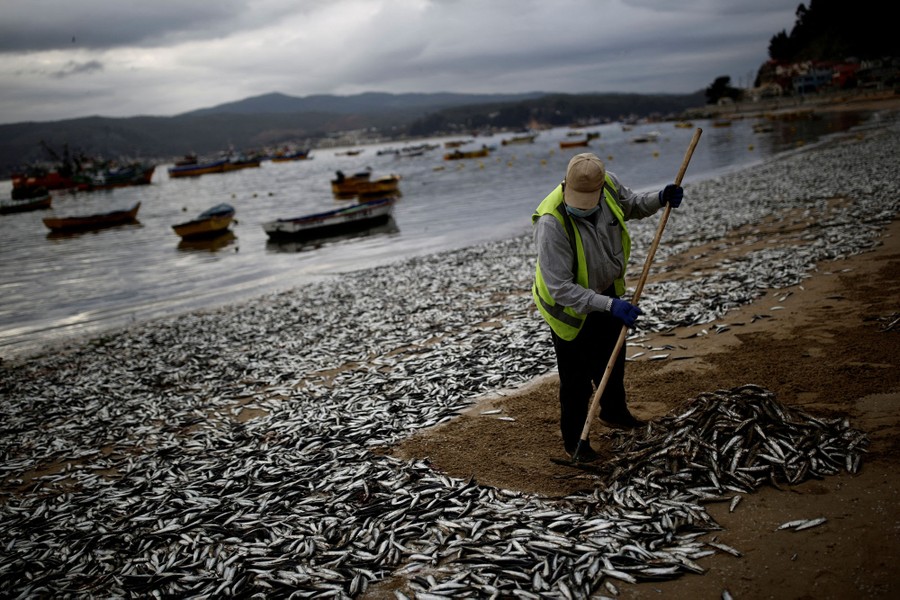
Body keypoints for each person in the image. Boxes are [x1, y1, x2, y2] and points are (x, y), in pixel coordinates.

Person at [532, 152, 683, 462]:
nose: (583, 205)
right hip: (568, 310)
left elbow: (632, 206)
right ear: (566, 185)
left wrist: (660, 197)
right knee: (575, 380)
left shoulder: (609, 185)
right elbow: (561, 288)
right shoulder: (552, 223)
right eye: (578, 199)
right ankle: (575, 443)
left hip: (606, 295)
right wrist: (609, 305)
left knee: (613, 356)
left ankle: (614, 412)